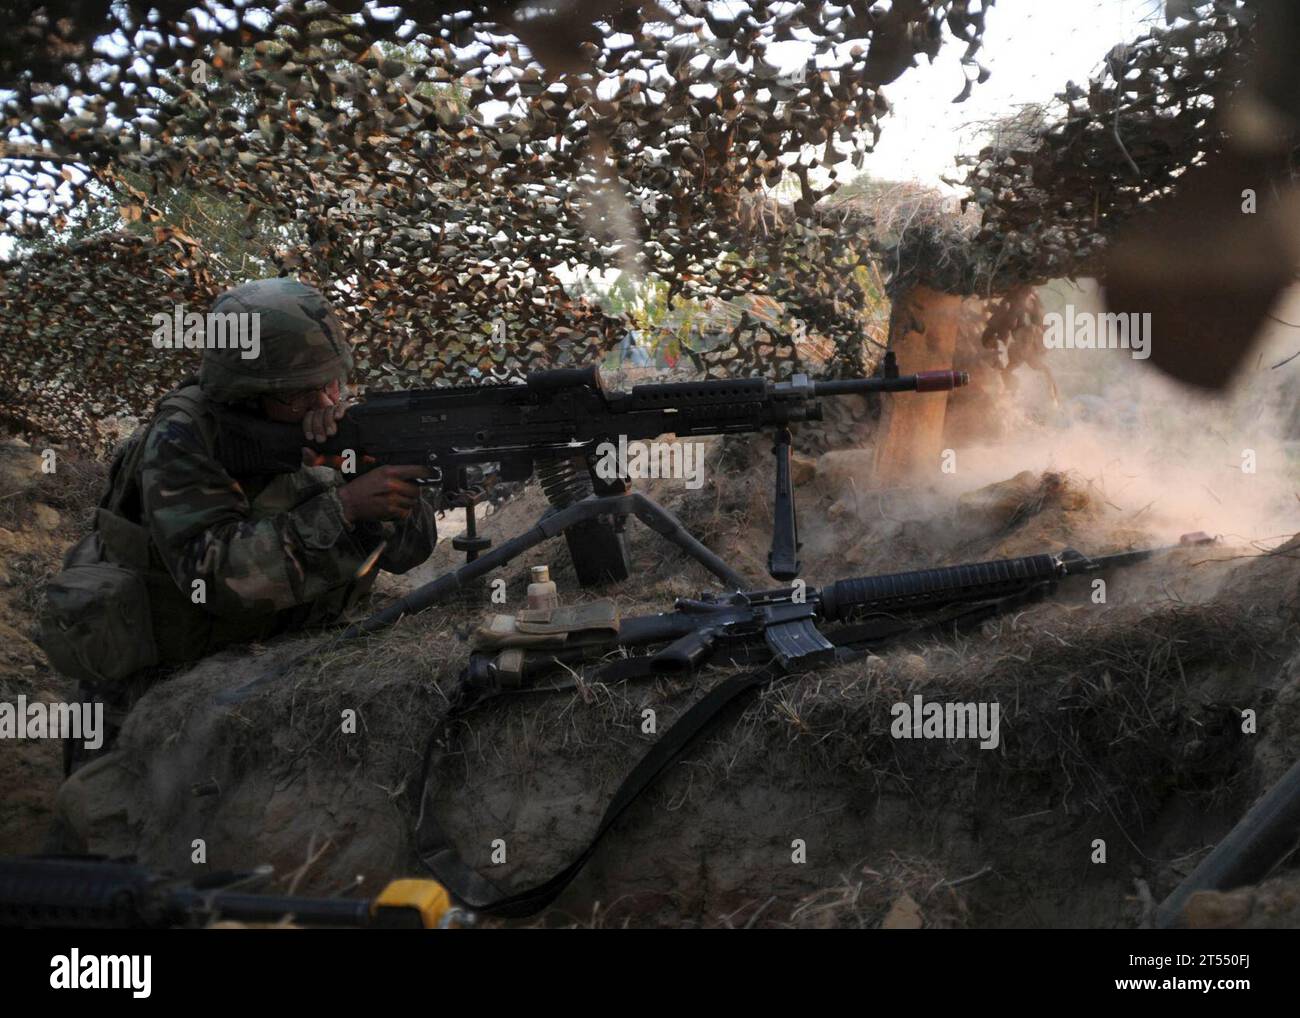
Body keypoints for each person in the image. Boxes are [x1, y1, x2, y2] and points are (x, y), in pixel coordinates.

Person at [40, 277, 438, 782]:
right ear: (246, 396)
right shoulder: (183, 439)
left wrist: (374, 476)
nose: (326, 399)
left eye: (333, 382)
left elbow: (410, 553)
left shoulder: (329, 427)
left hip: (274, 663)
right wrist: (345, 508)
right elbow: (215, 577)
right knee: (113, 828)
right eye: (301, 394)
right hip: (154, 684)